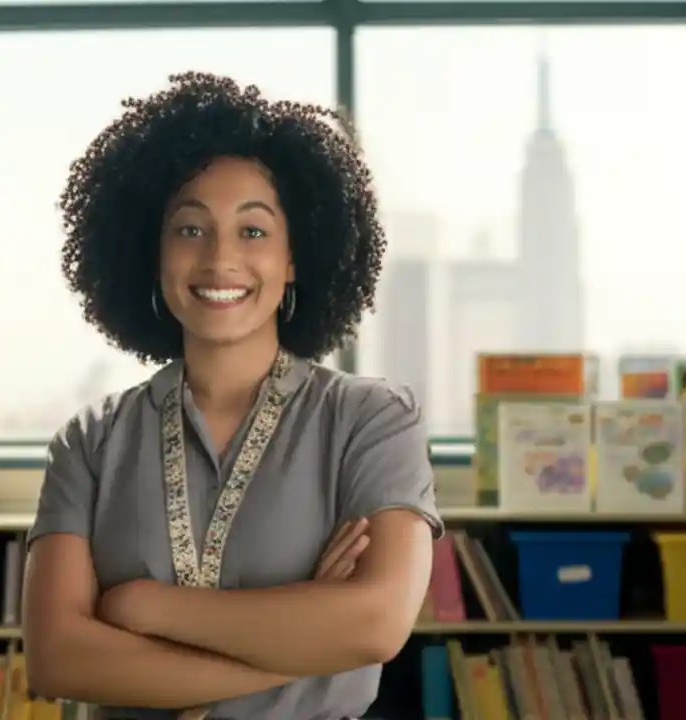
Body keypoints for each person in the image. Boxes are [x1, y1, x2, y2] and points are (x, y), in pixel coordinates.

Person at [22, 71, 443, 720]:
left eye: (253, 231)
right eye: (190, 229)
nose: (220, 260)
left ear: (296, 257)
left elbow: (376, 627)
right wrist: (305, 643)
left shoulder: (371, 421)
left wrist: (137, 607)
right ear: (151, 252)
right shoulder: (91, 441)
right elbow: (58, 658)